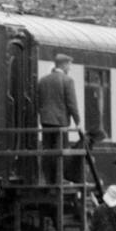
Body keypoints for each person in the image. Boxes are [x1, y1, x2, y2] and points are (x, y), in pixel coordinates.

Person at [36, 53, 80, 184]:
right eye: (69, 65)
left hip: (45, 121)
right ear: (64, 65)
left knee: (47, 150)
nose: (70, 68)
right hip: (60, 122)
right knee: (62, 150)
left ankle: (48, 179)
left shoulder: (43, 80)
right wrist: (78, 122)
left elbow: (38, 101)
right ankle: (59, 178)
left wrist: (43, 115)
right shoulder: (67, 80)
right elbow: (72, 103)